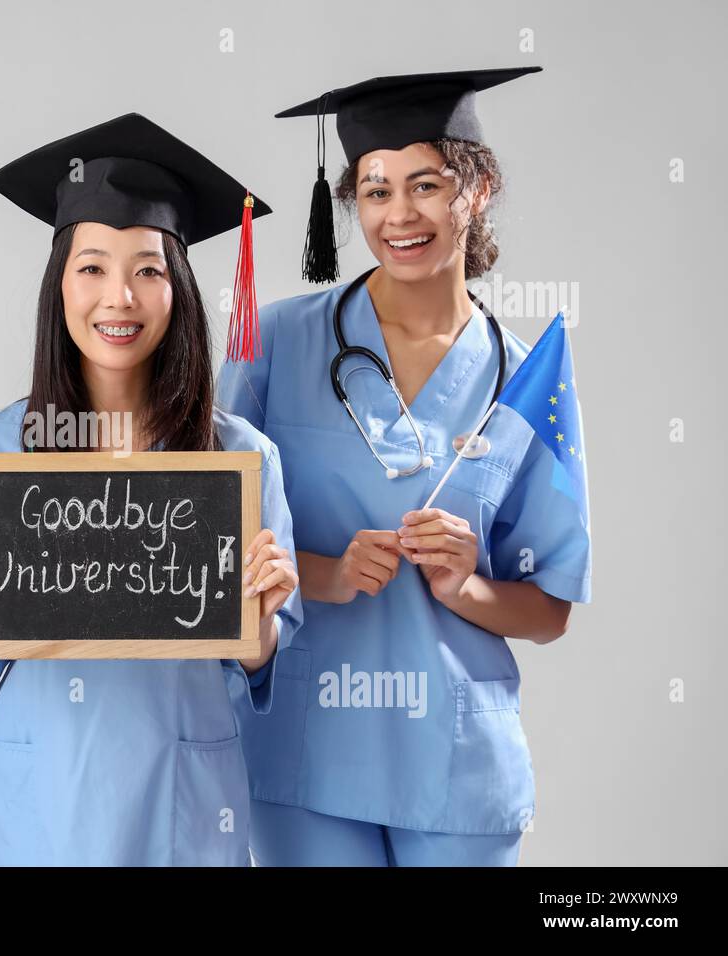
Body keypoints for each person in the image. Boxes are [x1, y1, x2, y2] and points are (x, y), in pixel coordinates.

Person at [217, 67, 592, 866]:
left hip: (456, 765)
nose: (400, 215)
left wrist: (467, 586)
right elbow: (210, 544)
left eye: (425, 184)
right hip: (305, 749)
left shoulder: (525, 385)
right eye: (376, 190)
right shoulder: (274, 347)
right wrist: (324, 573)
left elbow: (551, 607)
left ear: (477, 187)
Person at [0, 114, 303, 865]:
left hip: (180, 794)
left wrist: (262, 628)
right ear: (59, 285)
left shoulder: (241, 457)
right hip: (39, 798)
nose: (119, 295)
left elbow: (266, 646)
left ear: (180, 289)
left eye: (149, 269)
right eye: (92, 266)